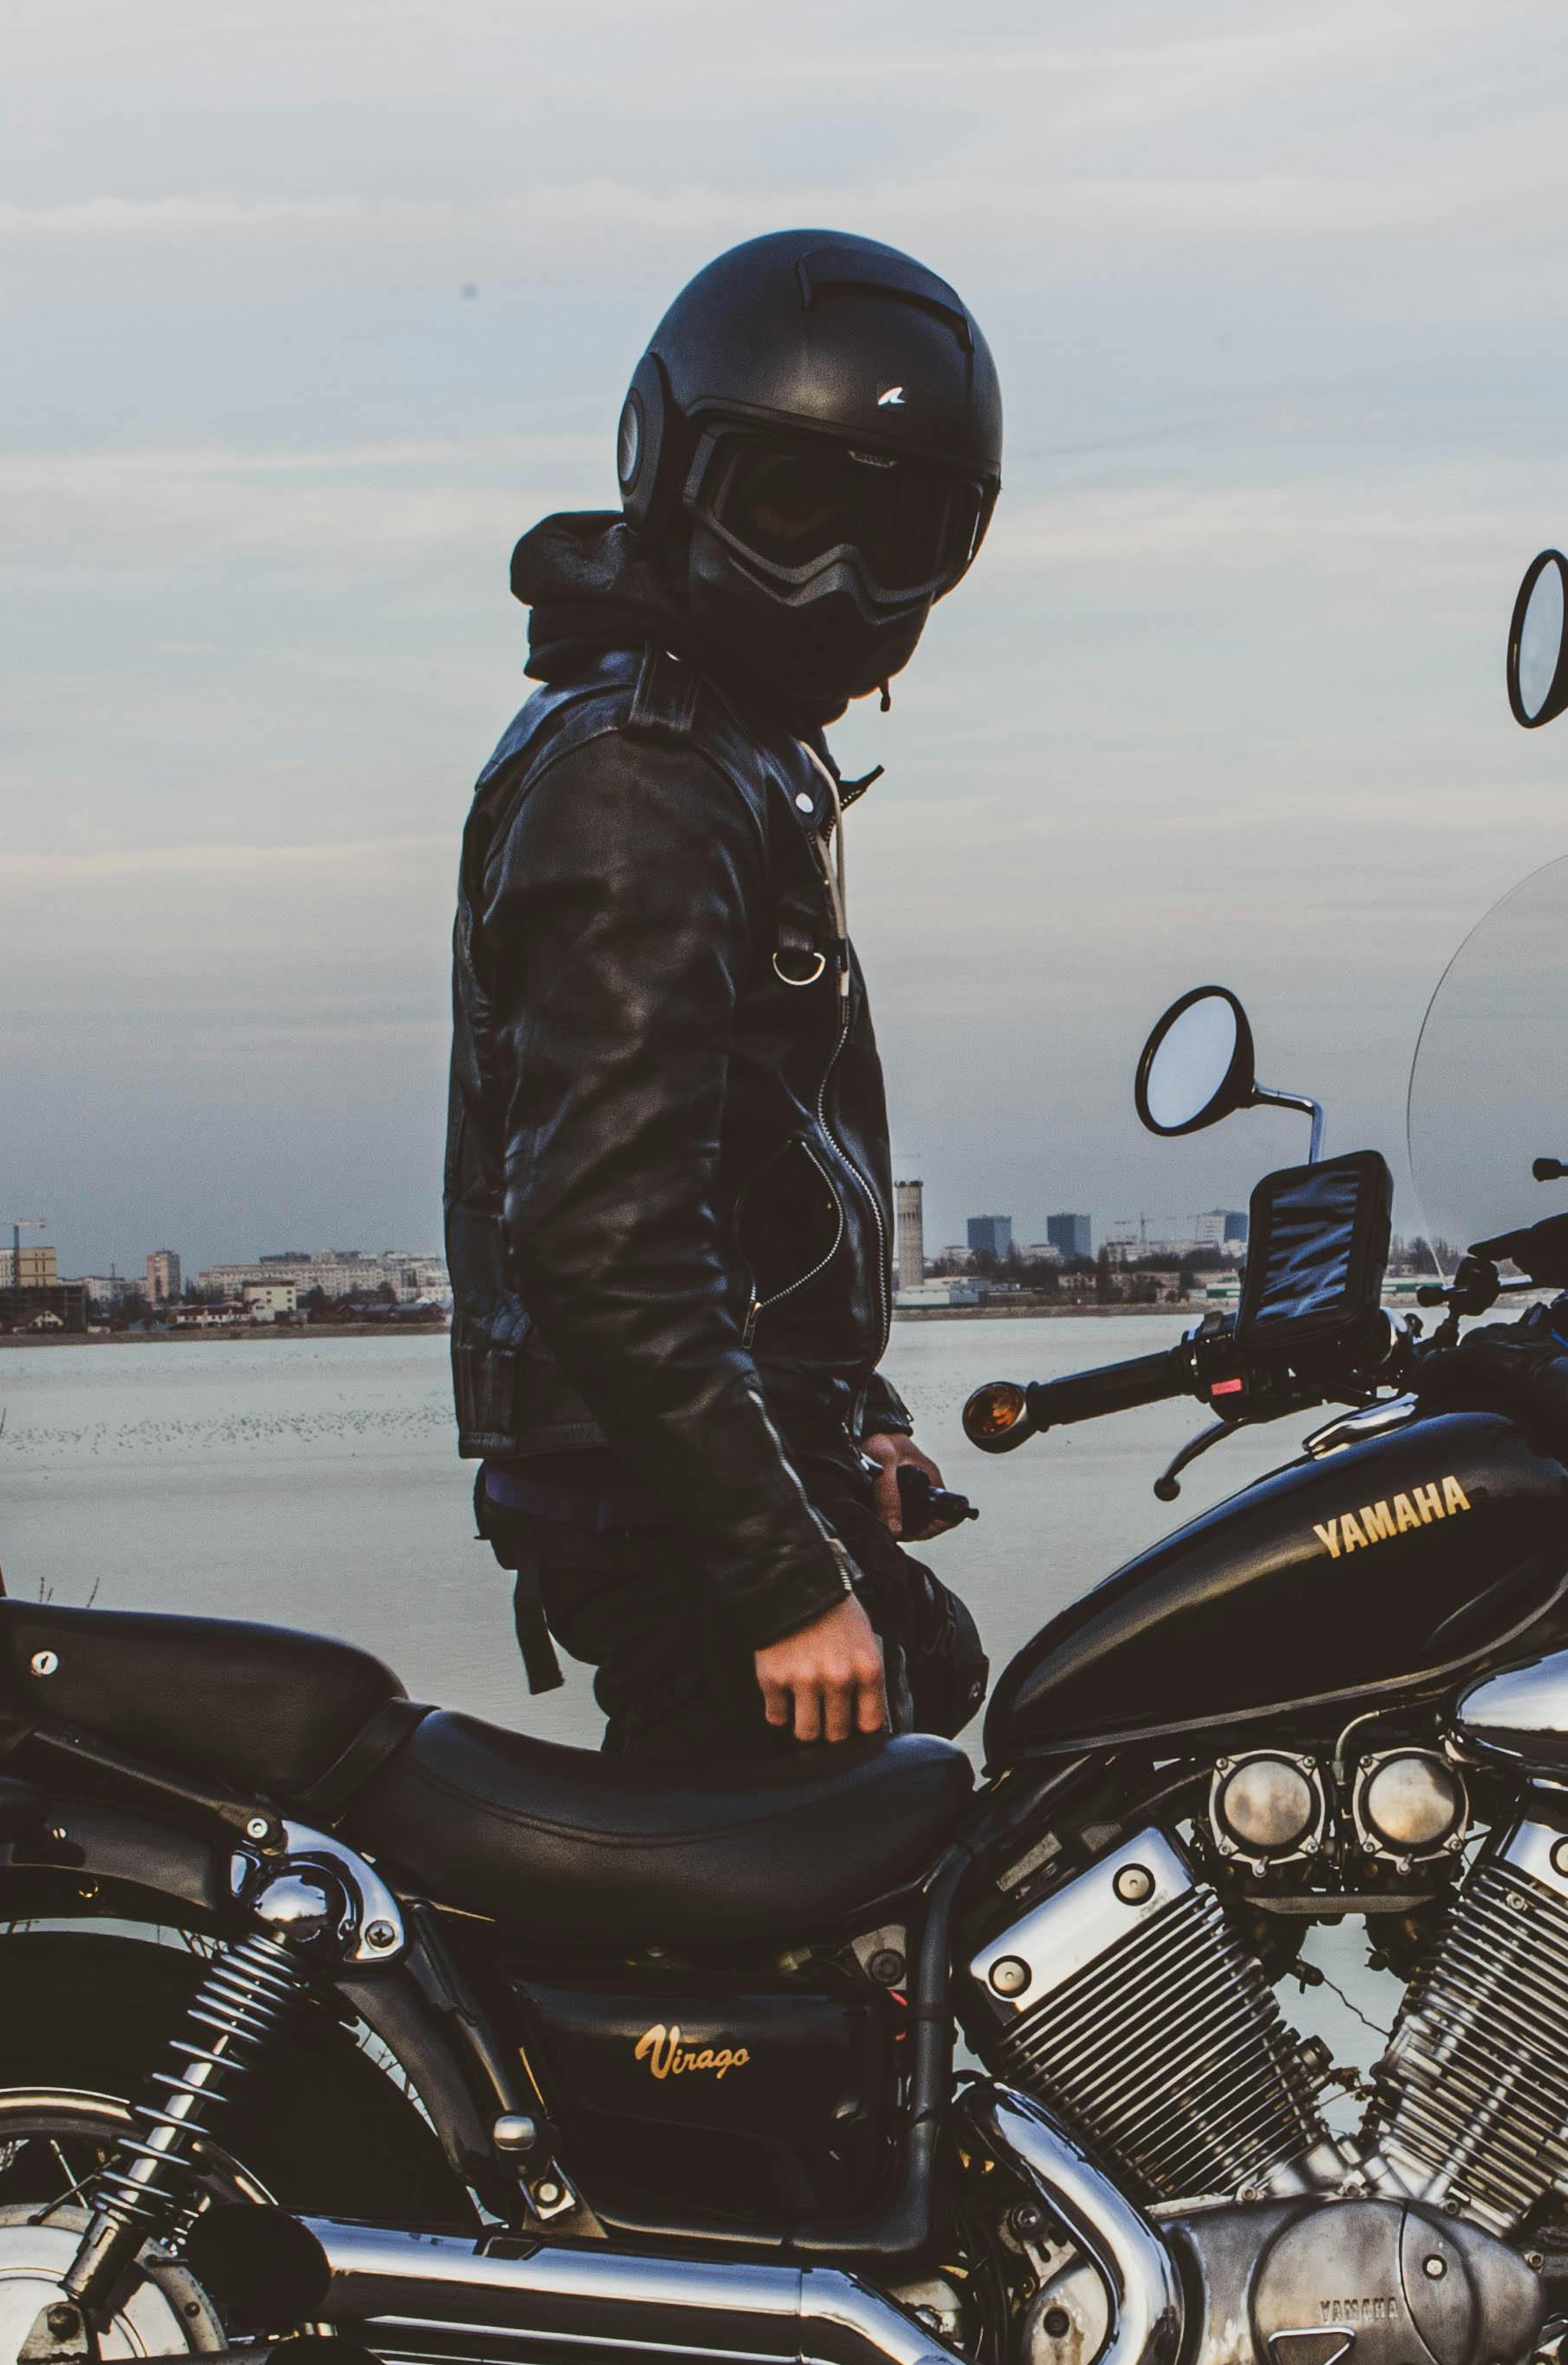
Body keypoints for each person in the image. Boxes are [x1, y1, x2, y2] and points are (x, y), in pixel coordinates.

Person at [447, 228, 997, 1756]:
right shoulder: (646, 772)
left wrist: (852, 1412)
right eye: (794, 508)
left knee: (934, 1708)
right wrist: (780, 1577)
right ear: (674, 472)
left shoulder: (725, 748)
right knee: (828, 1846)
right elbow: (603, 1231)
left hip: (702, 1458)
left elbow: (751, 1150)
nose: (838, 578)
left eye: (898, 533)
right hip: (659, 1494)